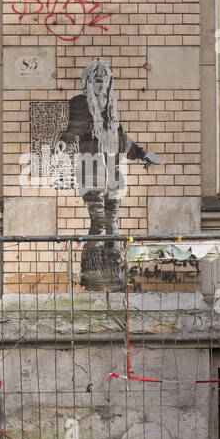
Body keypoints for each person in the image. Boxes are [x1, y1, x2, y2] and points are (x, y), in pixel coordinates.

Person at [53, 58, 162, 290]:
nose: (100, 84)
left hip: (112, 173)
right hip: (90, 172)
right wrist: (62, 144)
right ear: (88, 83)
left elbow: (123, 141)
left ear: (109, 83)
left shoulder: (112, 107)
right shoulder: (80, 103)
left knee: (112, 225)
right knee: (99, 221)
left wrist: (144, 154)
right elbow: (73, 128)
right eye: (95, 80)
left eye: (104, 80)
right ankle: (90, 275)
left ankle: (113, 276)